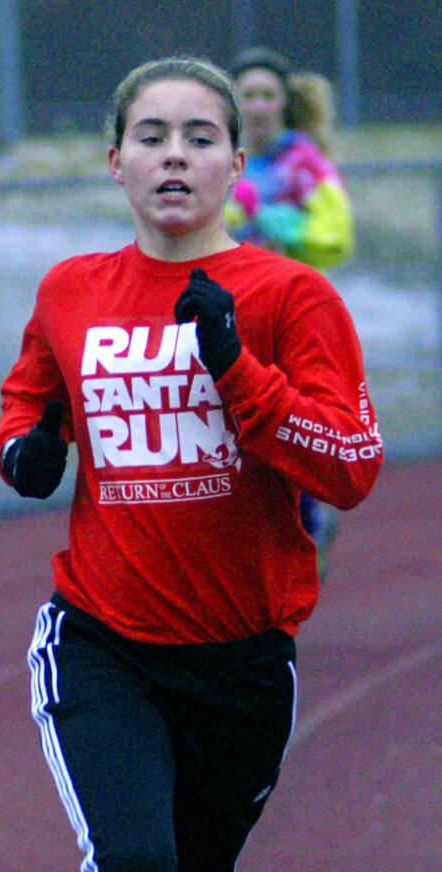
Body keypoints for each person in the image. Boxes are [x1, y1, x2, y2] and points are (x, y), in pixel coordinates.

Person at [0, 57, 382, 872]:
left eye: (200, 139)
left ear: (235, 166)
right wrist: (24, 456)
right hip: (105, 641)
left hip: (243, 661)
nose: (176, 157)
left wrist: (238, 367)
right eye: (153, 138)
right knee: (132, 868)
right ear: (114, 162)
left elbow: (351, 466)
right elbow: (24, 411)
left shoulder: (293, 297)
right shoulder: (71, 291)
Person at [226, 46, 357, 569]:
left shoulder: (302, 163)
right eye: (246, 95)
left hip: (293, 321)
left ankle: (308, 526)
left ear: (283, 103)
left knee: (289, 430)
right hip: (229, 321)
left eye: (266, 95)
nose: (256, 105)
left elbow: (337, 236)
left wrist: (286, 228)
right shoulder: (214, 156)